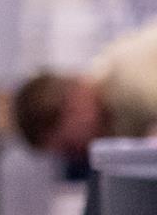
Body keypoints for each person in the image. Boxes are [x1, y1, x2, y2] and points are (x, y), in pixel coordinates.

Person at [14, 17, 157, 160]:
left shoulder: (127, 79)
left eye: (69, 146)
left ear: (72, 107)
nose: (79, 151)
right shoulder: (112, 111)